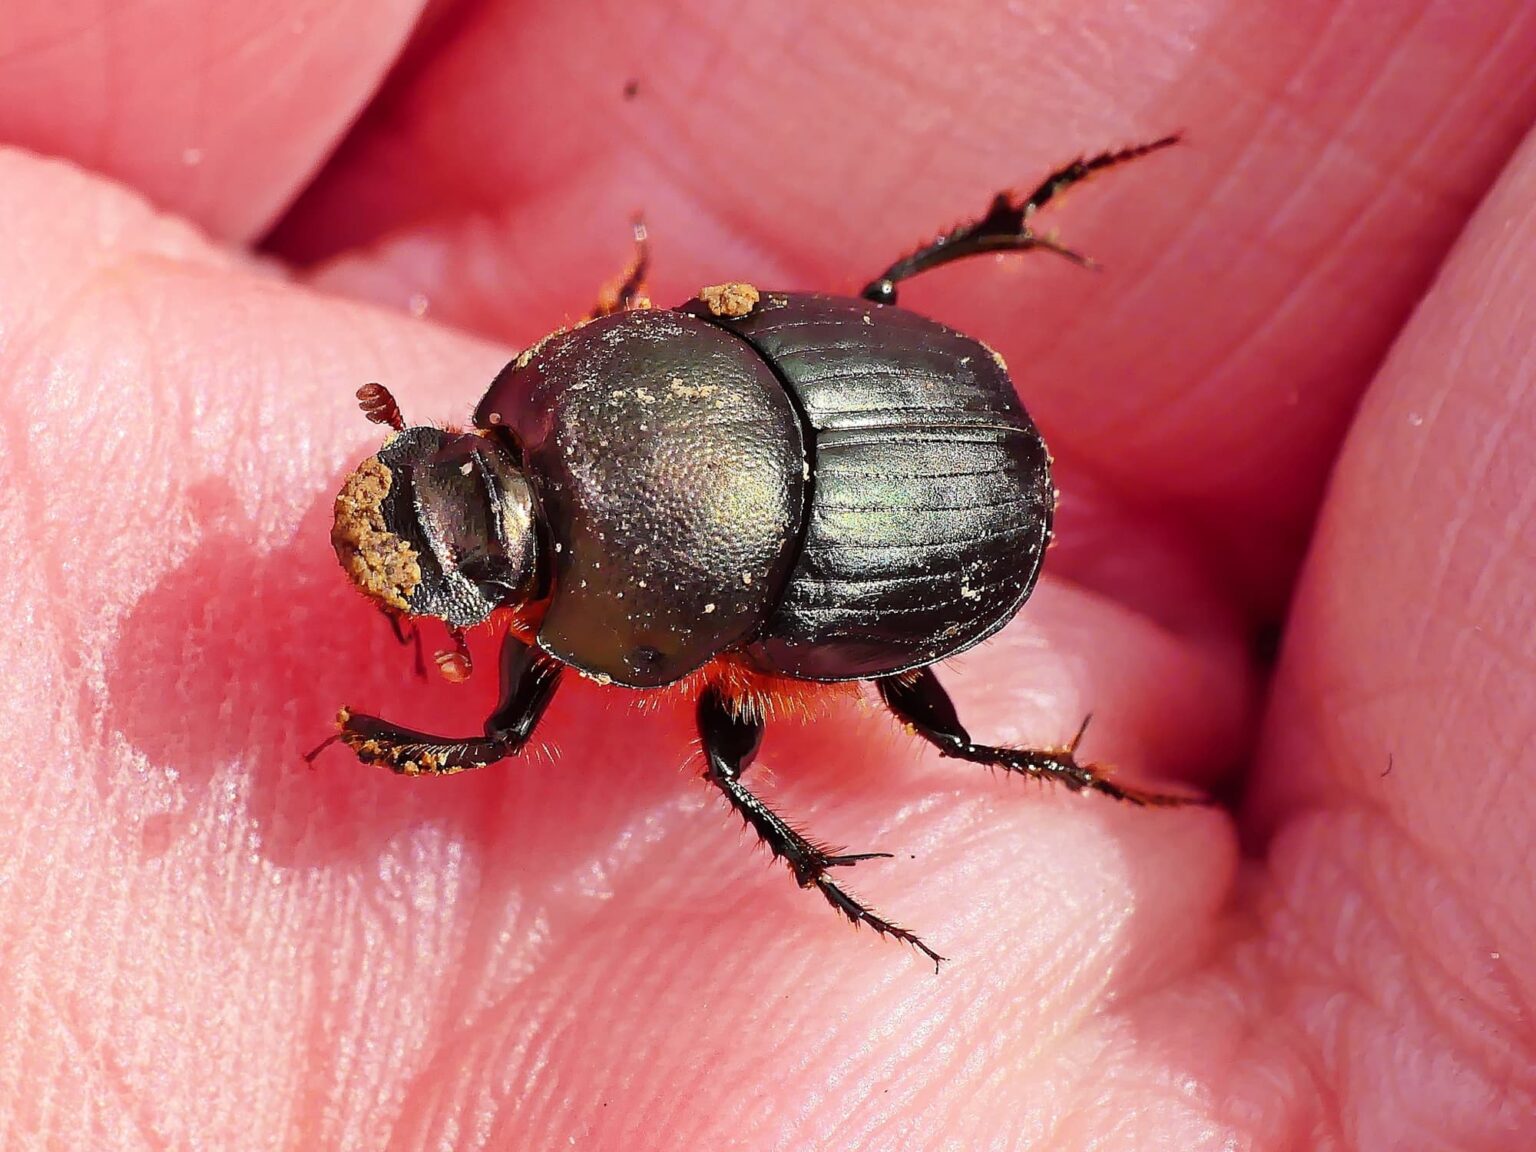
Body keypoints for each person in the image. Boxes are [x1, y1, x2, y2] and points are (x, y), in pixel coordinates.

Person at [0, 2, 1531, 1147]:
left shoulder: (610, 483)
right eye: (469, 485)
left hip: (883, 501)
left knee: (805, 761)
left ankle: (1022, 771)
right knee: (831, 352)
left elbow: (509, 720)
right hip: (827, 429)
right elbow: (655, 360)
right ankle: (1019, 226)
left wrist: (421, 730)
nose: (470, 482)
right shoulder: (589, 393)